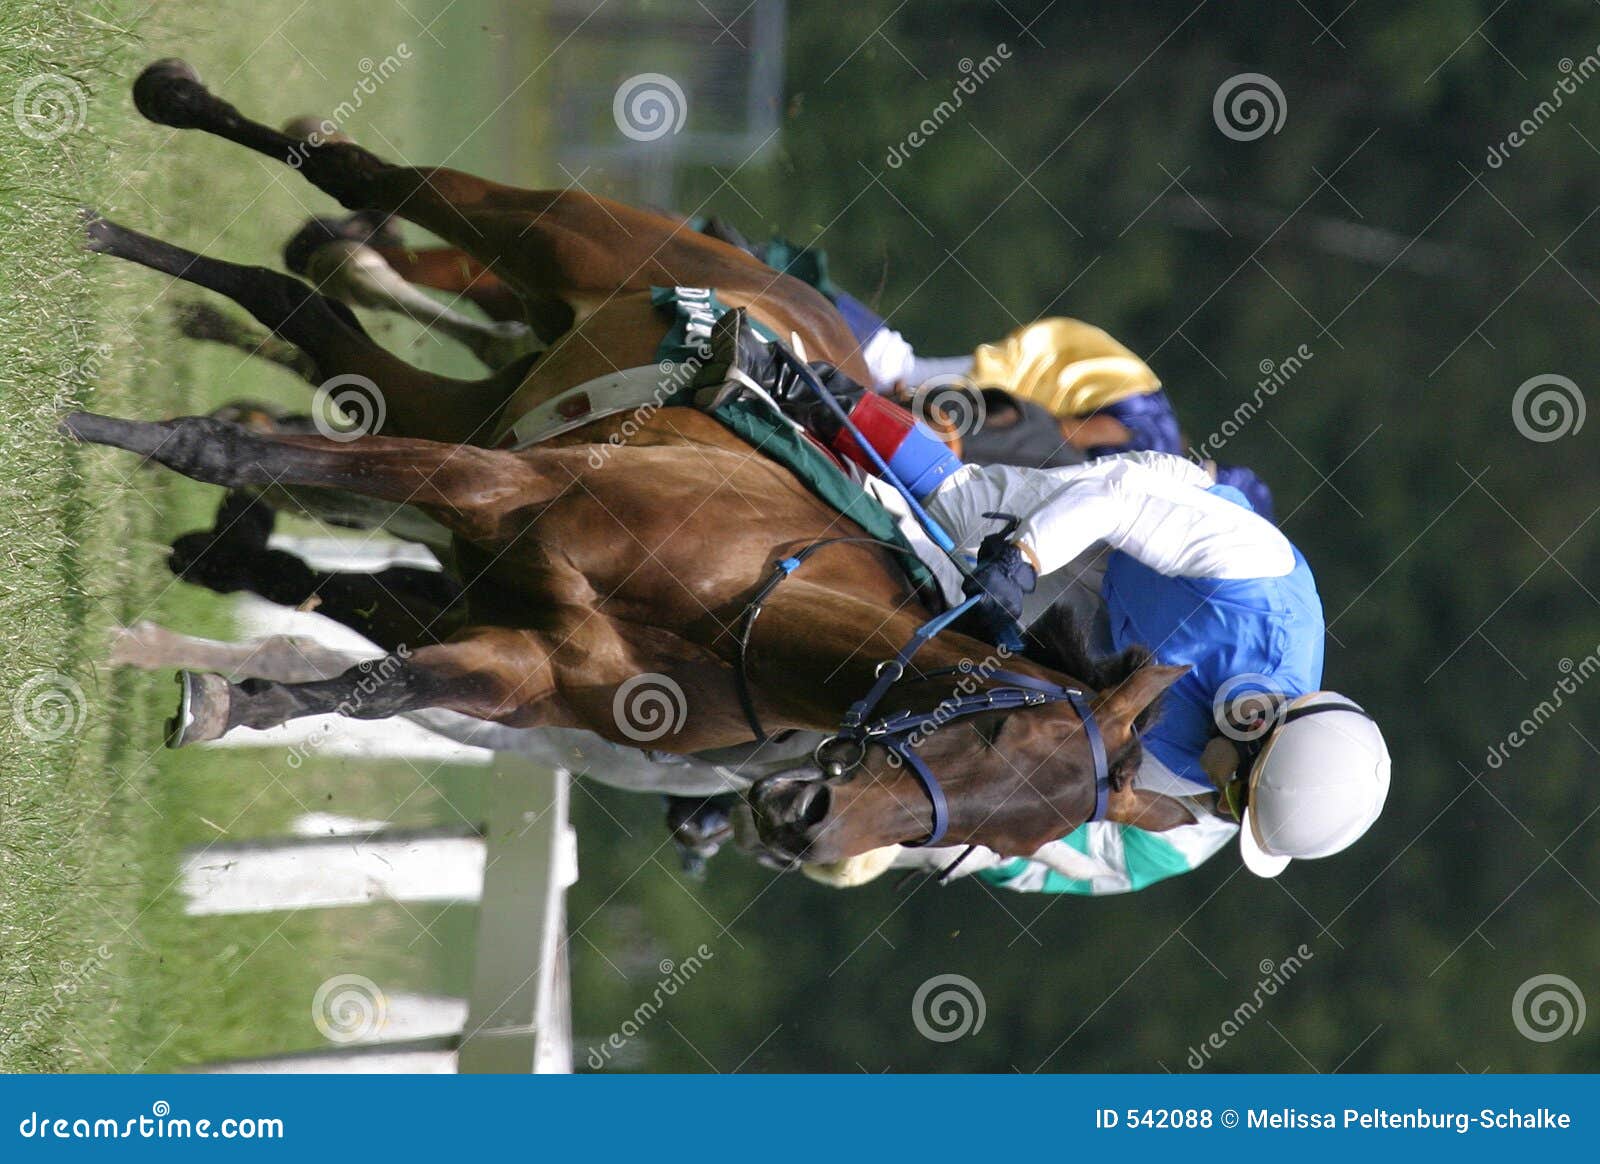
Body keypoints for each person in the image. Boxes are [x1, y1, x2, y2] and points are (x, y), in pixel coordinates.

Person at [693, 312, 1391, 893]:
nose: (1217, 812)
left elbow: (1039, 784)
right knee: (966, 510)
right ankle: (789, 377)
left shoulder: (1190, 787)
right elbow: (1114, 504)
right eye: (1237, 798)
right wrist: (1021, 562)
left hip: (1109, 642)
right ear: (1253, 722)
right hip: (1136, 521)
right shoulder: (1257, 586)